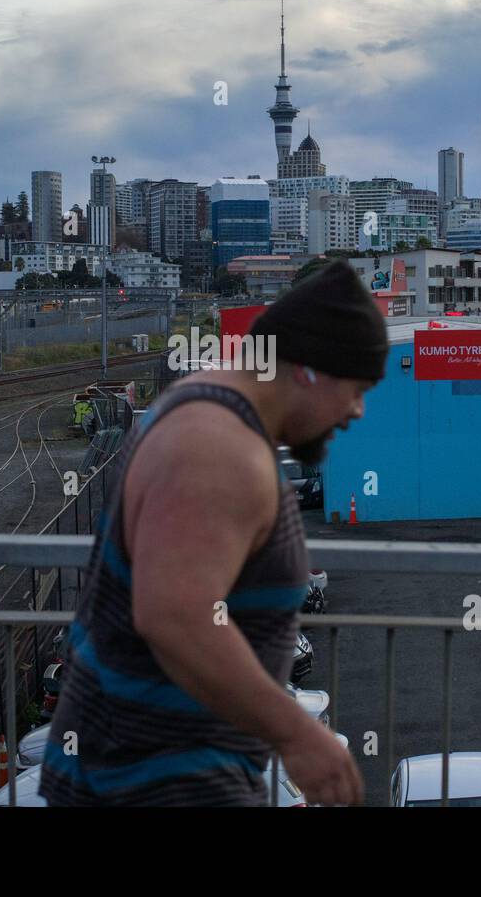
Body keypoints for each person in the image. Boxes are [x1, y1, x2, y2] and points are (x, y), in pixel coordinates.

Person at [38, 259, 386, 807]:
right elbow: (177, 615)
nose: (358, 410)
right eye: (356, 388)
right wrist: (297, 736)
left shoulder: (209, 415)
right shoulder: (217, 445)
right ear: (310, 369)